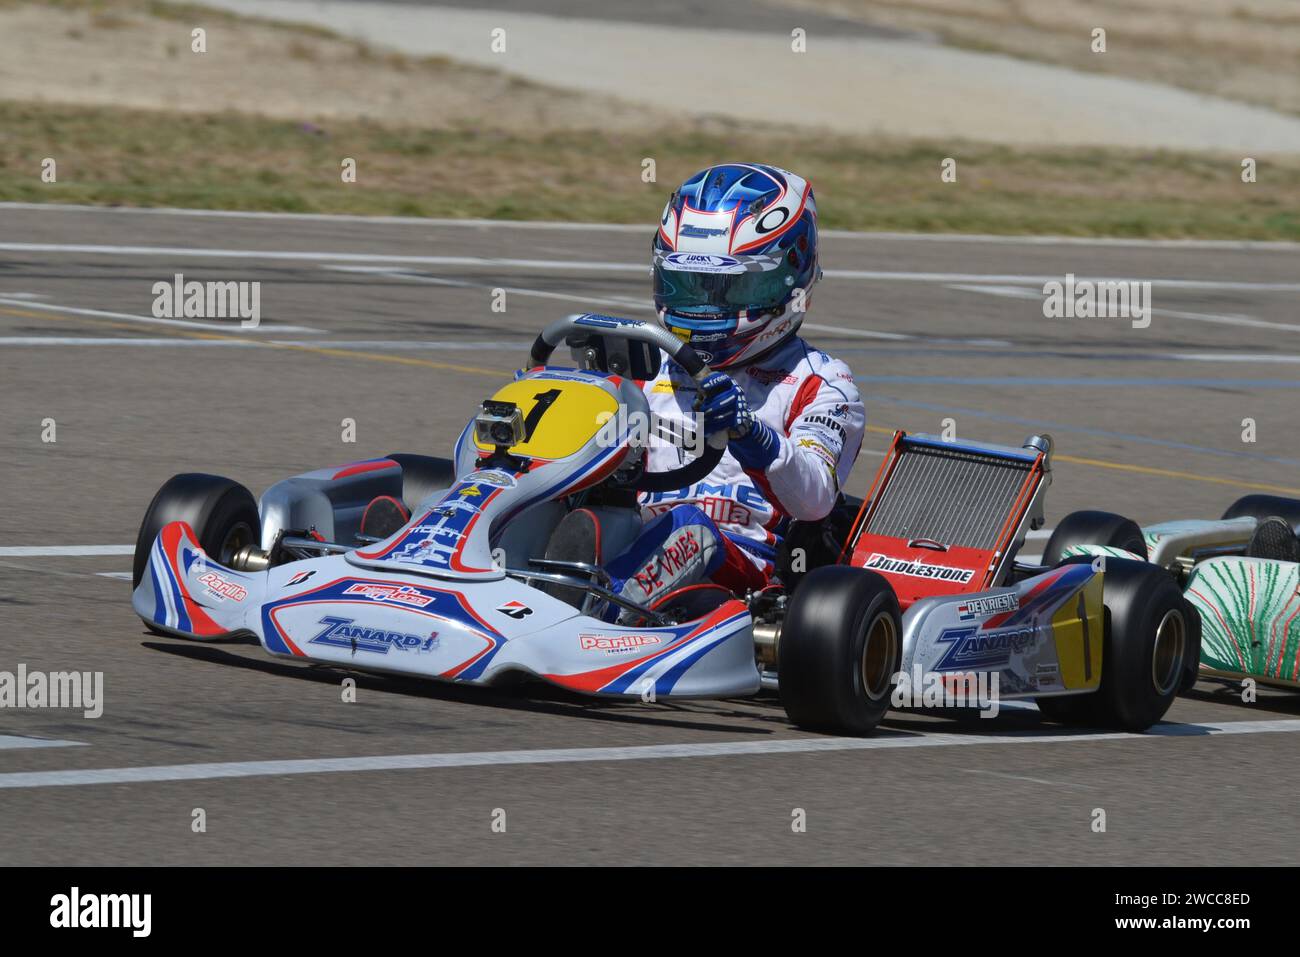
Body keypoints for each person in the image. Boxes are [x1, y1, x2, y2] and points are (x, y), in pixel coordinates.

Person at [561, 163, 868, 621]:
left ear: (789, 279)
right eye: (689, 287)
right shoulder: (647, 362)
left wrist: (749, 433)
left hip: (744, 564)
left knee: (687, 528)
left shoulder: (820, 383)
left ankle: (583, 619)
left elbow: (814, 499)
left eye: (731, 288)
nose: (707, 306)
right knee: (557, 500)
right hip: (632, 533)